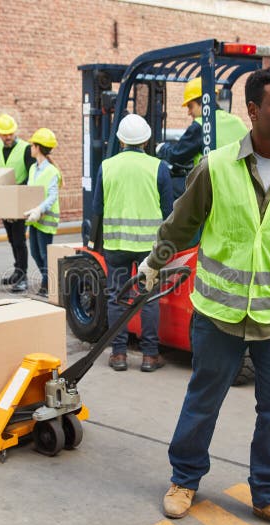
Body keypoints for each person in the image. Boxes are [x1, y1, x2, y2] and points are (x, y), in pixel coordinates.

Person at [138, 67, 270, 525]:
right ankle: (184, 480)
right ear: (253, 110)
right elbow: (181, 224)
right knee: (202, 401)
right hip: (218, 313)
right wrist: (153, 264)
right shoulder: (216, 166)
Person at [92, 114, 173, 372]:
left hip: (116, 244)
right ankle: (149, 355)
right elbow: (169, 209)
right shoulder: (158, 167)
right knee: (147, 297)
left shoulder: (107, 166)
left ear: (120, 139)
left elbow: (97, 208)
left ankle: (118, 354)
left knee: (116, 297)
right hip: (149, 247)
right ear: (147, 139)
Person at [157, 77, 249, 200]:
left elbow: (176, 155)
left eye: (190, 106)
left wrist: (162, 148)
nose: (189, 112)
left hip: (211, 190)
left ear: (202, 102)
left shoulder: (202, 125)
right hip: (239, 189)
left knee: (171, 187)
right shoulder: (238, 122)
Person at [0, 113, 36, 293]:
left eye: (10, 133)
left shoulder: (25, 148)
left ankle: (23, 276)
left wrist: (17, 191)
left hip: (19, 199)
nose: (7, 137)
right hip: (3, 199)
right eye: (4, 134)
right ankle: (17, 271)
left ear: (15, 131)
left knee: (19, 239)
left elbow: (32, 174)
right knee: (11, 239)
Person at [23, 128, 61, 297]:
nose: (31, 147)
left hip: (46, 218)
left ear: (38, 147)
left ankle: (47, 286)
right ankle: (49, 280)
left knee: (45, 254)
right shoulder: (33, 169)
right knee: (35, 253)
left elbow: (52, 196)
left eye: (32, 145)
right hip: (34, 218)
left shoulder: (52, 171)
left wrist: (39, 209)